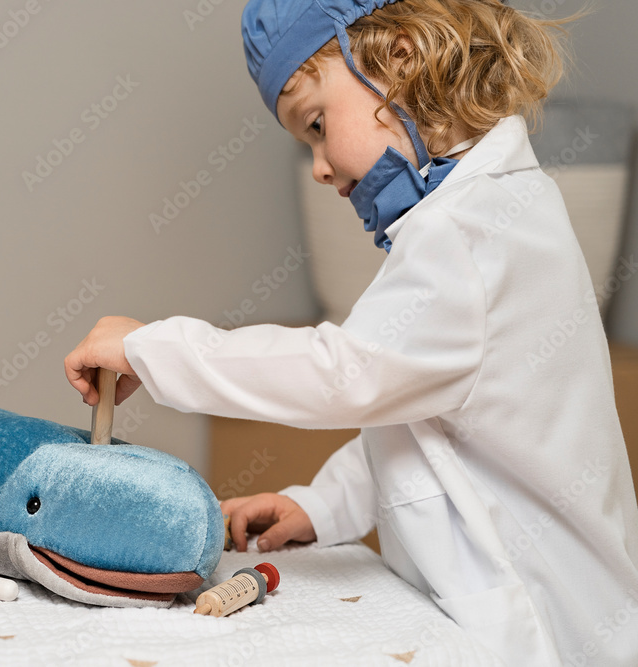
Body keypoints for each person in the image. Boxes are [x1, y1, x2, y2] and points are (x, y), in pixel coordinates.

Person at [64, 0, 638, 664]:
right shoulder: (480, 213)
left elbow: (345, 374)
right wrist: (322, 505)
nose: (320, 168)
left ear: (398, 59)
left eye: (316, 124)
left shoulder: (470, 233)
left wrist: (155, 348)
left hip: (553, 631)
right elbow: (427, 430)